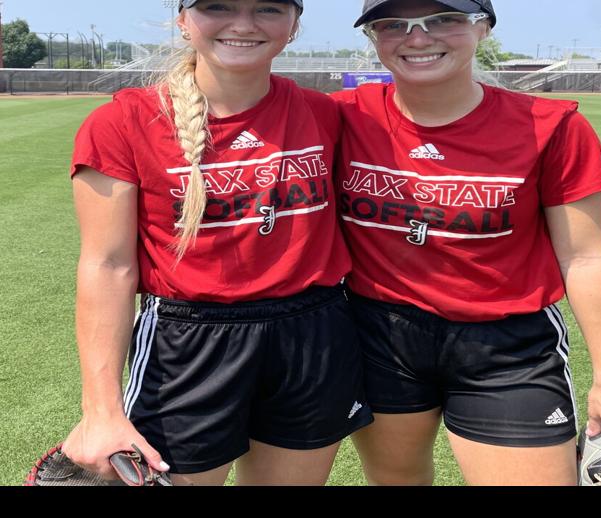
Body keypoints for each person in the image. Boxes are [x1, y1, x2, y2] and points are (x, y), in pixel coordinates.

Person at [332, 0, 601, 486]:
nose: (418, 37)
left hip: (509, 348)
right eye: (393, 24)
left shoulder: (551, 126)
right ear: (373, 38)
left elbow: (586, 256)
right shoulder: (342, 116)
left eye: (443, 19)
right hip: (380, 335)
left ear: (483, 28)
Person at [62, 0, 372, 486]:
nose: (243, 24)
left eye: (268, 8)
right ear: (184, 21)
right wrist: (101, 410)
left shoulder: (322, 113)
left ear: (294, 25)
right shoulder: (121, 124)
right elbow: (108, 266)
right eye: (217, 6)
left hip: (314, 336)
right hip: (191, 344)